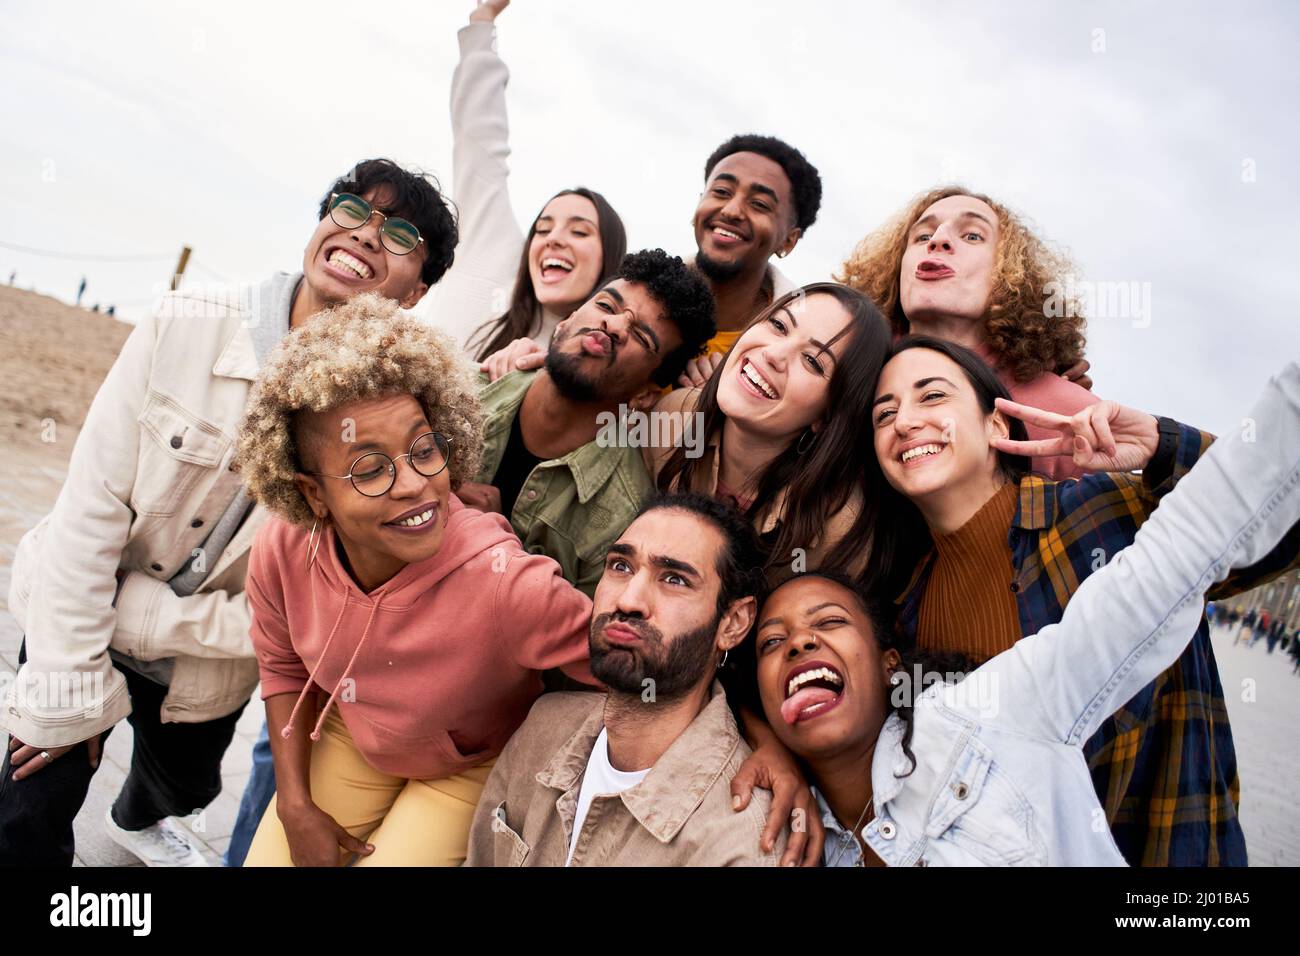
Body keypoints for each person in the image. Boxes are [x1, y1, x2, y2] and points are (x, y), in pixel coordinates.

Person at [0, 158, 457, 868]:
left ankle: (139, 815)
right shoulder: (186, 323)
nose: (367, 233)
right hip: (77, 604)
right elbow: (87, 512)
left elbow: (310, 615)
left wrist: (151, 618)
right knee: (31, 803)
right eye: (350, 208)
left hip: (204, 663)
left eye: (399, 233)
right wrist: (70, 694)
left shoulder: (387, 424)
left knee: (182, 786)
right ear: (320, 224)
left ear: (417, 292)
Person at [747, 360, 1299, 865]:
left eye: (932, 396)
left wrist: (1162, 446)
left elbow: (1236, 522)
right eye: (884, 414)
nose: (905, 421)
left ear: (995, 426)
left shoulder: (1097, 507)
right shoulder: (908, 609)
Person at [235, 297, 597, 866]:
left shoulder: (506, 582)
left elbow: (628, 667)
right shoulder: (282, 550)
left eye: (424, 449)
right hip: (358, 733)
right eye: (370, 468)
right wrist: (294, 803)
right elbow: (282, 666)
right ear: (312, 495)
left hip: (467, 764)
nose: (413, 484)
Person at [466, 492, 782, 866]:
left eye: (675, 579)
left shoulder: (738, 839)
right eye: (621, 566)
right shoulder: (544, 728)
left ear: (733, 623)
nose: (629, 600)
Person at [457, 249, 716, 595]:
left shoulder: (624, 522)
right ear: (565, 321)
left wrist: (502, 549)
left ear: (645, 395)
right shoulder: (452, 394)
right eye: (607, 306)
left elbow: (572, 641)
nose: (614, 325)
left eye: (641, 336)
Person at [482, 131, 821, 389]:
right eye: (720, 192)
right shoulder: (625, 289)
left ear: (789, 239)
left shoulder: (791, 353)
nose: (731, 210)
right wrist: (525, 363)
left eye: (759, 204)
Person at [647, 282, 917, 591]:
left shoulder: (838, 530)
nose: (774, 354)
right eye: (778, 325)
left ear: (827, 416)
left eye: (813, 361)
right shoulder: (673, 418)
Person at [839, 186, 1099, 479]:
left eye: (972, 236)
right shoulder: (842, 361)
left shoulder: (1068, 414)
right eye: (922, 236)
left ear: (1010, 272)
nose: (938, 240)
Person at [422, 0, 627, 360]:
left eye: (579, 232)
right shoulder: (494, 253)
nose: (554, 240)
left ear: (609, 260)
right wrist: (481, 23)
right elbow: (479, 142)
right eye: (543, 229)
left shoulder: (605, 356)